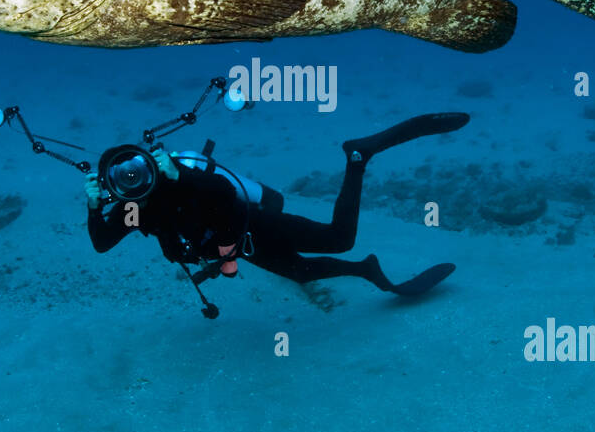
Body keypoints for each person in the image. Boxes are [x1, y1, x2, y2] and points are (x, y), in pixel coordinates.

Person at [85, 113, 467, 296]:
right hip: (238, 246)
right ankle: (367, 270)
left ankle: (358, 157)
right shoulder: (132, 211)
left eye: (136, 169)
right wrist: (92, 207)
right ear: (112, 184)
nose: (133, 179)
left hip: (256, 224)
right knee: (301, 272)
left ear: (149, 163)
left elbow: (220, 191)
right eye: (122, 177)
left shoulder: (176, 182)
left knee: (338, 238)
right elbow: (102, 242)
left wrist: (180, 176)